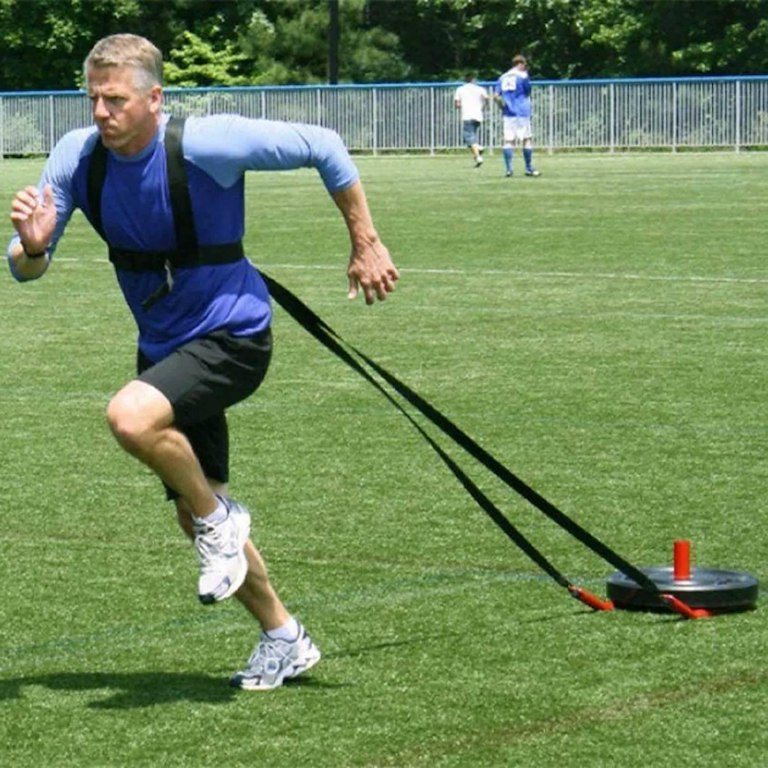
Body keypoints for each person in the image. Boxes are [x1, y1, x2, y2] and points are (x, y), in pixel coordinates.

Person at [7, 33, 399, 691]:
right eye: (94, 99)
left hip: (235, 338)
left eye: (117, 100)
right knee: (194, 508)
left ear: (154, 98)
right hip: (165, 347)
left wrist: (366, 240)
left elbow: (326, 147)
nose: (102, 113)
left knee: (131, 418)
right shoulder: (78, 157)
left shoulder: (207, 143)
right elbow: (23, 268)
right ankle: (283, 636)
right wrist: (34, 247)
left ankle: (223, 524)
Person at [494, 54, 541, 177]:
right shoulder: (523, 76)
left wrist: (502, 107)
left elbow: (496, 96)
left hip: (508, 113)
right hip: (522, 111)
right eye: (525, 65)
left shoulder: (502, 77)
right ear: (520, 64)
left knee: (509, 141)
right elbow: (528, 92)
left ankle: (509, 169)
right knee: (527, 139)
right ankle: (529, 168)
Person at [453, 74, 489, 167]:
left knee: (468, 137)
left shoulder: (460, 89)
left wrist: (462, 105)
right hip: (478, 115)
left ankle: (478, 157)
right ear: (474, 80)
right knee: (470, 136)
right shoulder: (480, 89)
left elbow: (457, 104)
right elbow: (486, 98)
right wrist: (483, 106)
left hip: (467, 115)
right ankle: (479, 148)